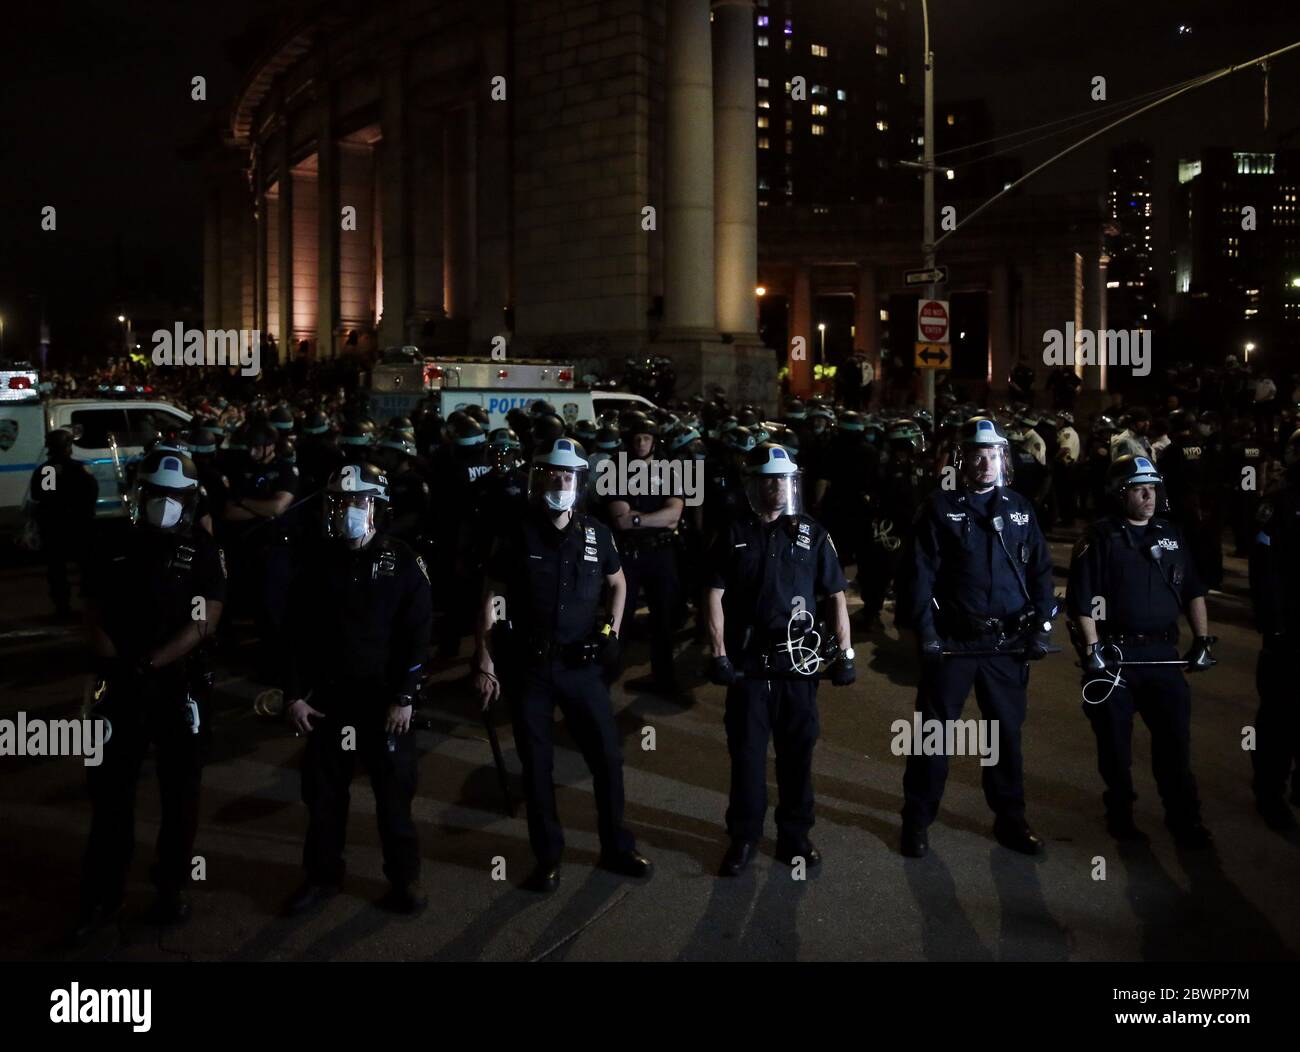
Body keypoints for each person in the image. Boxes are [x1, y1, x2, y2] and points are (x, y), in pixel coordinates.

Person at [474, 438, 651, 892]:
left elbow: (618, 583)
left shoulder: (596, 533)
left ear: (579, 482)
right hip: (529, 668)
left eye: (567, 476)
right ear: (539, 480)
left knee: (607, 760)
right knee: (537, 767)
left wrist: (611, 633)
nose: (559, 481)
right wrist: (486, 660)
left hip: (581, 668)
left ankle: (616, 847)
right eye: (551, 475)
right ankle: (548, 857)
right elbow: (494, 593)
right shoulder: (515, 532)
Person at [74, 449, 226, 937]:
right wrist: (117, 665)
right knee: (110, 795)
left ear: (190, 499)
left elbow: (206, 620)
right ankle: (104, 891)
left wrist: (153, 662)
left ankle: (170, 888)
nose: (163, 504)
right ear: (139, 494)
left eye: (173, 497)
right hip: (118, 685)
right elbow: (91, 610)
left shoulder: (201, 552)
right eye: (154, 494)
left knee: (180, 795)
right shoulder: (110, 540)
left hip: (176, 687)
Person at [898, 417, 1057, 858]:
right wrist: (925, 634)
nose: (984, 463)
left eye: (992, 455)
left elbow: (1042, 573)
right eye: (976, 455)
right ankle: (916, 820)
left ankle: (1011, 820)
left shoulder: (1020, 508)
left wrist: (1042, 626)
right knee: (934, 734)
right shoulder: (938, 507)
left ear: (1001, 459)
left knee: (1005, 736)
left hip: (1005, 645)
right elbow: (918, 578)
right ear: (962, 460)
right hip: (953, 642)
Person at [281, 462, 434, 915]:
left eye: (357, 501)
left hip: (385, 703)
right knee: (324, 799)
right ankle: (322, 877)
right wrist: (293, 693)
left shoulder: (403, 561)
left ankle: (404, 880)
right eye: (339, 502)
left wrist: (405, 696)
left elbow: (418, 633)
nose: (347, 509)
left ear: (376, 507)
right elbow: (292, 634)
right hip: (328, 702)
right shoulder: (315, 562)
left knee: (393, 800)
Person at [705, 443, 854, 876]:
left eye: (784, 481)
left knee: (797, 756)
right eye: (768, 480)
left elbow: (835, 595)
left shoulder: (812, 534)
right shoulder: (733, 534)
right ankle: (744, 837)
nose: (777, 489)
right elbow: (714, 595)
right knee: (748, 757)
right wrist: (718, 654)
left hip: (799, 667)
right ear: (754, 484)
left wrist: (845, 654)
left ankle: (795, 836)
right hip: (748, 669)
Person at [1067, 454, 1215, 846]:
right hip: (1116, 659)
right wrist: (1093, 650)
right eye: (1139, 488)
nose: (1149, 496)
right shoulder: (1099, 537)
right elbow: (1081, 601)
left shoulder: (1171, 534)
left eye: (1153, 488)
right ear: (1120, 493)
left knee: (1175, 746)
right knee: (1116, 748)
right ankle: (1120, 815)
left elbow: (1194, 590)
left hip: (1163, 656)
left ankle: (1185, 819)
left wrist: (1202, 640)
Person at [607, 414, 686, 696]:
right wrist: (655, 518)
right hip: (628, 556)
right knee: (618, 618)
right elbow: (621, 519)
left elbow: (675, 516)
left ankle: (664, 678)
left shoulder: (669, 470)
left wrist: (639, 519)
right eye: (637, 438)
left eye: (647, 438)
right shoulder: (617, 469)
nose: (641, 443)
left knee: (664, 620)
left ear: (655, 441)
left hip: (661, 553)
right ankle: (605, 674)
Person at [1248, 429, 1300, 830]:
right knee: (1279, 718)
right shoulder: (1278, 505)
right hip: (1288, 631)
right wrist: (1275, 625)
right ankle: (1269, 792)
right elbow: (1265, 572)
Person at [27, 429, 97, 619]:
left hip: (54, 526)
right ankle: (89, 605)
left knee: (57, 569)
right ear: (68, 446)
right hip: (78, 525)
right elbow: (91, 494)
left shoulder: (47, 470)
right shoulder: (78, 468)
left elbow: (42, 496)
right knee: (86, 566)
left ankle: (62, 607)